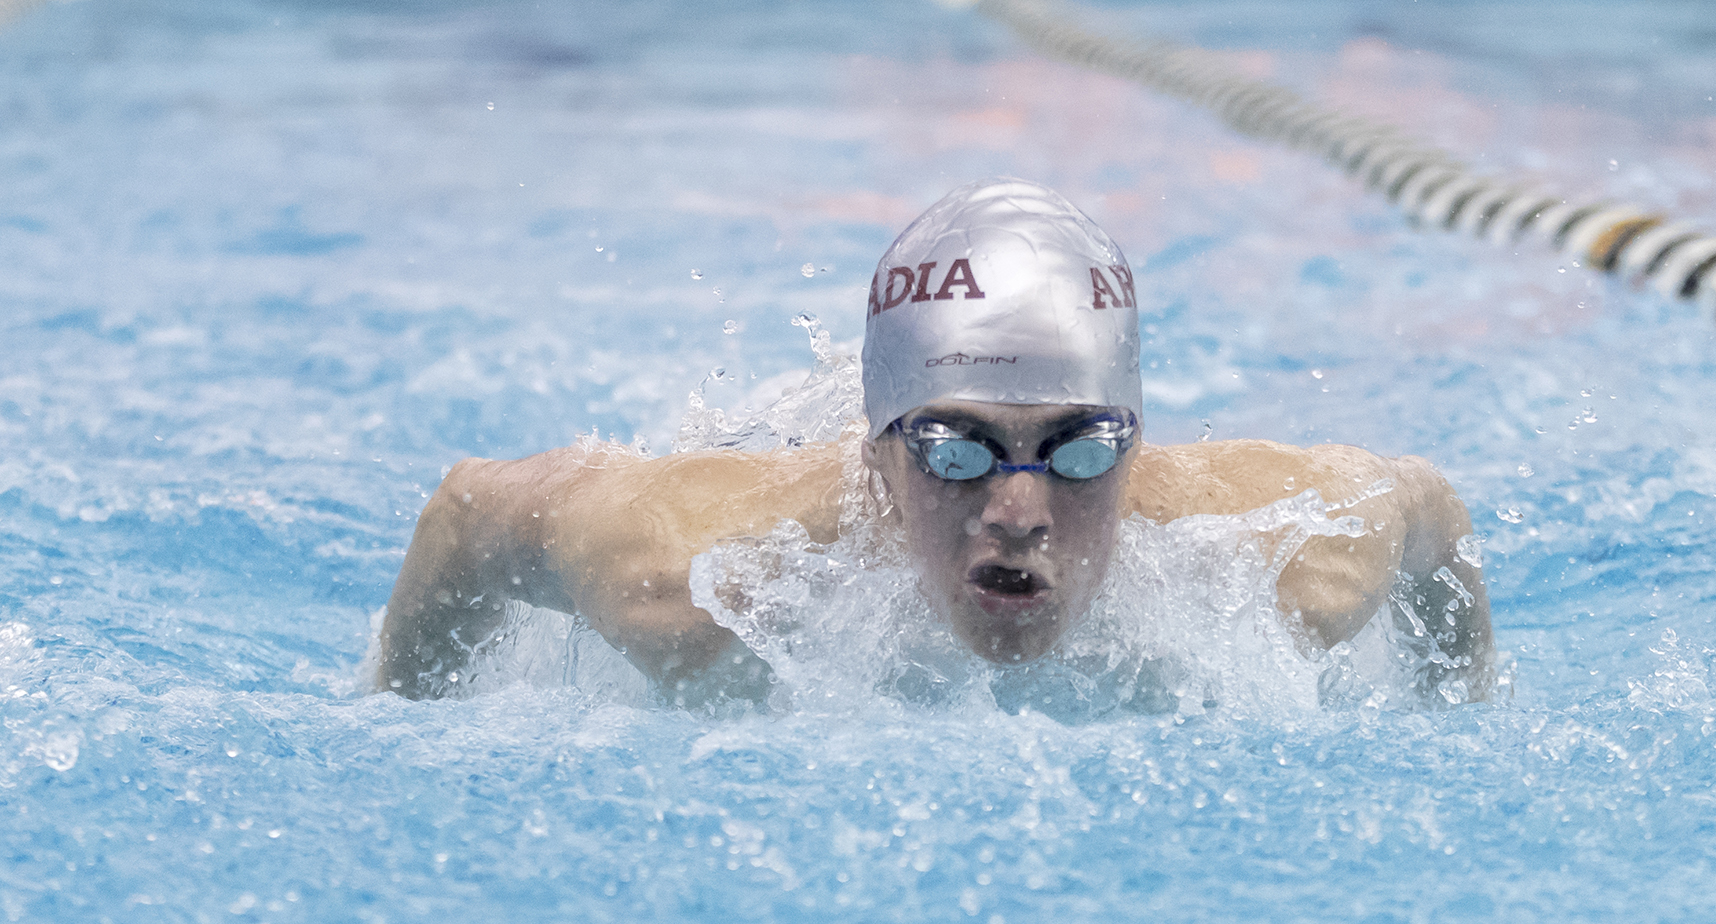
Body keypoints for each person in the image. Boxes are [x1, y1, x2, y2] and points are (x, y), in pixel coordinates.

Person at [376, 178, 1494, 703]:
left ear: (1138, 445)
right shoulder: (689, 576)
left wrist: (1463, 718)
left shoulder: (1289, 560)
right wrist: (398, 723)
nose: (1019, 509)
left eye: (1081, 449)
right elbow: (468, 512)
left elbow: (1431, 509)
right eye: (956, 451)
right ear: (880, 457)